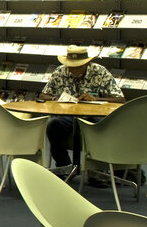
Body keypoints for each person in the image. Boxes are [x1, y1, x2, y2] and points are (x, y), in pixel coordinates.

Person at [39, 47, 123, 175]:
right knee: (53, 125)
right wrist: (56, 98)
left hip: (93, 115)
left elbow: (120, 99)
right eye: (71, 66)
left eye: (78, 66)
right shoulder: (60, 72)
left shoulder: (100, 72)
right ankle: (64, 167)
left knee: (99, 126)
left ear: (86, 63)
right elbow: (43, 95)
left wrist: (96, 99)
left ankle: (99, 170)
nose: (73, 70)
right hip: (68, 116)